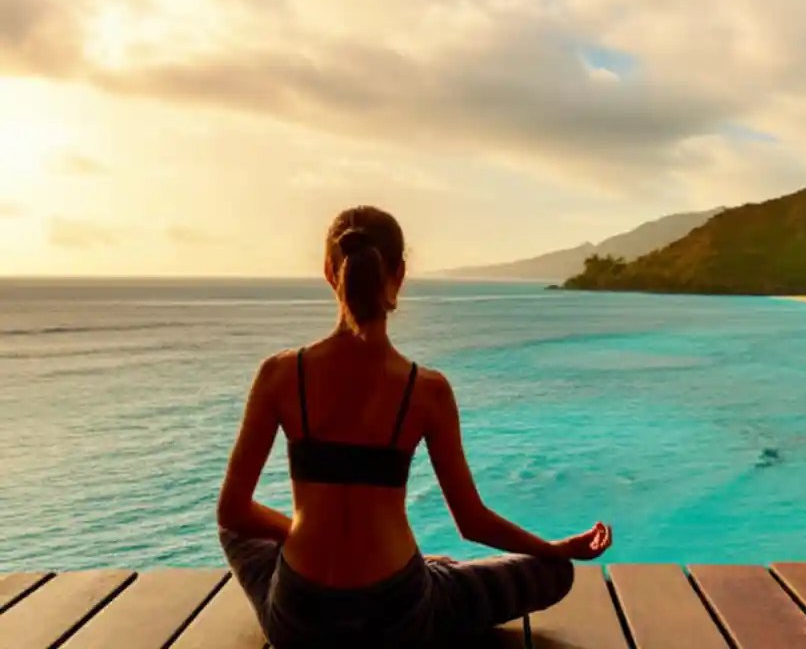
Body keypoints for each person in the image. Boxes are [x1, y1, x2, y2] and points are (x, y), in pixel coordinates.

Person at [215, 206, 612, 647]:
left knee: (237, 532)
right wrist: (554, 548)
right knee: (552, 575)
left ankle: (425, 571)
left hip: (301, 623)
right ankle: (433, 573)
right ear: (399, 274)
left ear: (330, 271)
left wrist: (300, 533)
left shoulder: (281, 374)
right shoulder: (426, 390)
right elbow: (473, 522)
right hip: (398, 617)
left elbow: (231, 512)